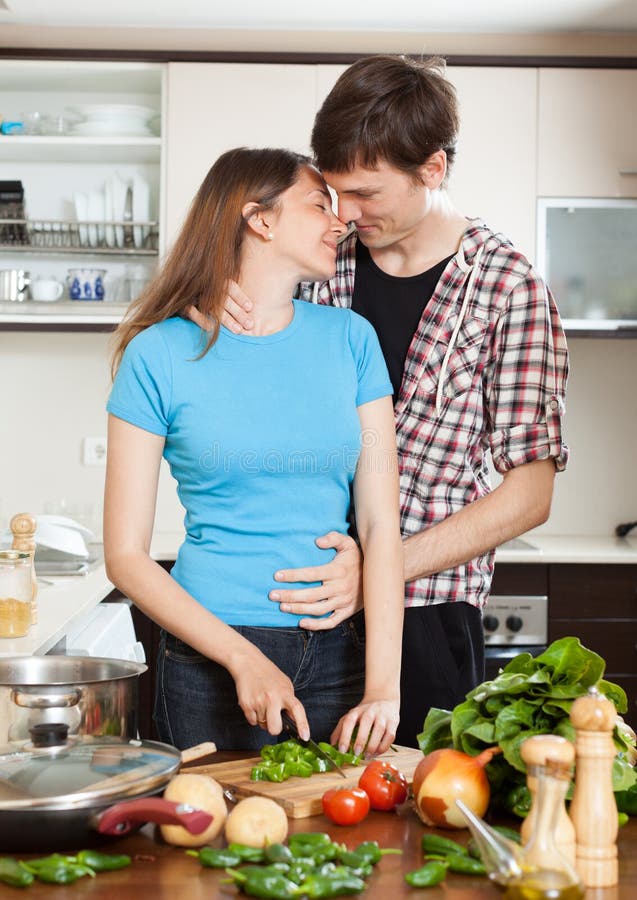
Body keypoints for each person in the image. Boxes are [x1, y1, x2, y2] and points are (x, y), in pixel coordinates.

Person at [204, 56, 570, 748]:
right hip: (292, 598)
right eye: (333, 192)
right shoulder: (319, 259)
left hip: (427, 614)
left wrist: (377, 566)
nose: (346, 213)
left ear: (432, 169)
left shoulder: (509, 292)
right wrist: (214, 296)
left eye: (366, 193)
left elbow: (529, 495)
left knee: (407, 829)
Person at [104, 147, 404, 755]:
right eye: (320, 204)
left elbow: (380, 524)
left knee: (340, 845)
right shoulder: (157, 355)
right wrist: (242, 658)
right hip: (208, 660)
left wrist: (382, 688)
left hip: (339, 652)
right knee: (208, 842)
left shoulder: (352, 341)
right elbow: (125, 557)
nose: (340, 220)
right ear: (259, 219)